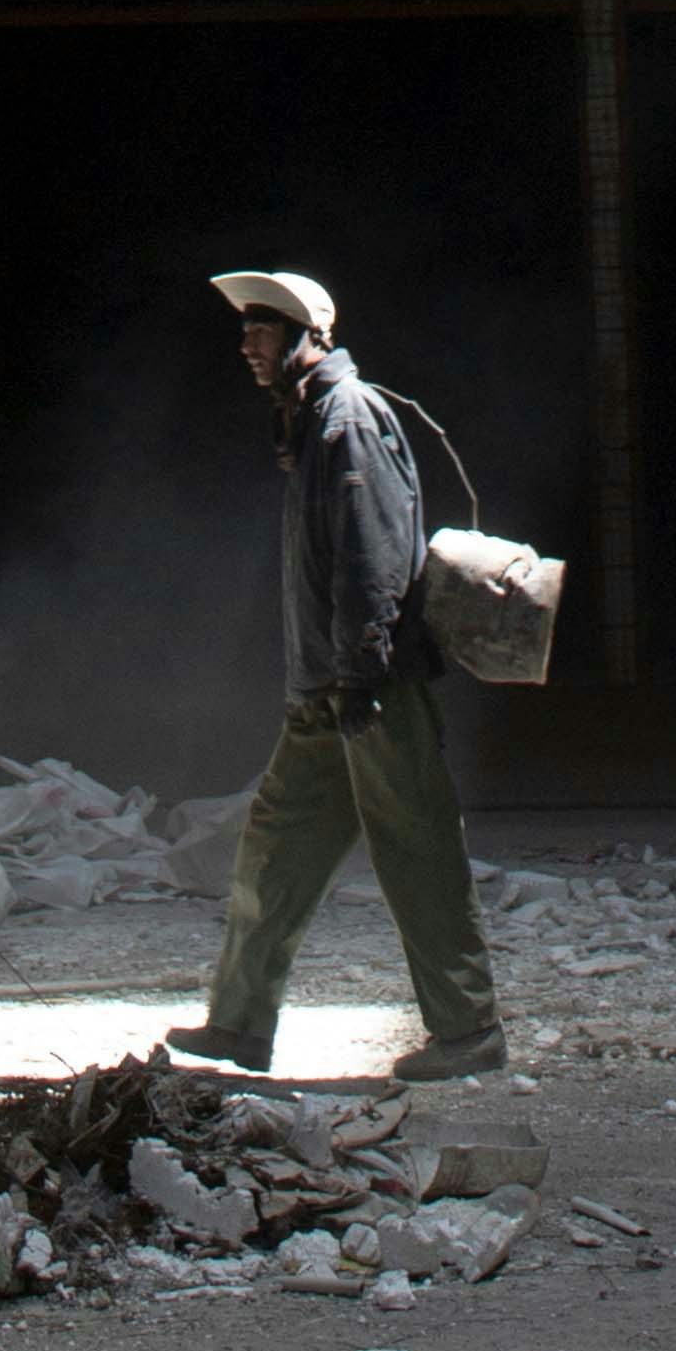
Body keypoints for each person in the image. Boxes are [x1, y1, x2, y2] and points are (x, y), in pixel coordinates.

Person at [163, 266, 505, 1089]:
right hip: (328, 692)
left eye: (262, 327)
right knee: (272, 852)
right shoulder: (312, 419)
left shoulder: (347, 419)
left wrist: (362, 674)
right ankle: (239, 1025)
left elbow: (374, 557)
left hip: (369, 689)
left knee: (416, 851)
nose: (246, 342)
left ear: (306, 336)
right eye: (244, 328)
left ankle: (469, 1031)